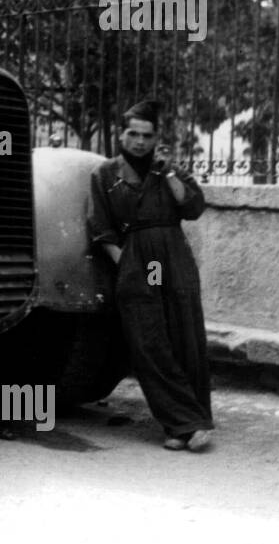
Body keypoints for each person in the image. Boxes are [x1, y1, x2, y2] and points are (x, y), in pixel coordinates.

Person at [88, 100, 213, 452]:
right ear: (121, 134)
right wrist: (125, 262)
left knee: (184, 337)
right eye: (133, 134)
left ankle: (182, 427)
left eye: (147, 135)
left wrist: (168, 172)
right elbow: (100, 227)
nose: (139, 142)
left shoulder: (169, 170)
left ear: (157, 138)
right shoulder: (105, 173)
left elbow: (193, 207)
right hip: (136, 258)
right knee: (149, 342)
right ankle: (187, 422)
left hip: (172, 256)